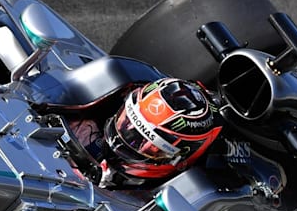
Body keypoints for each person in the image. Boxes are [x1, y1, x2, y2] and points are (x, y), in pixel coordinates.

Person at [71, 77, 222, 188]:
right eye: (127, 122)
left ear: (178, 157)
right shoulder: (84, 129)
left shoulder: (207, 175)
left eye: (149, 145)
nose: (123, 139)